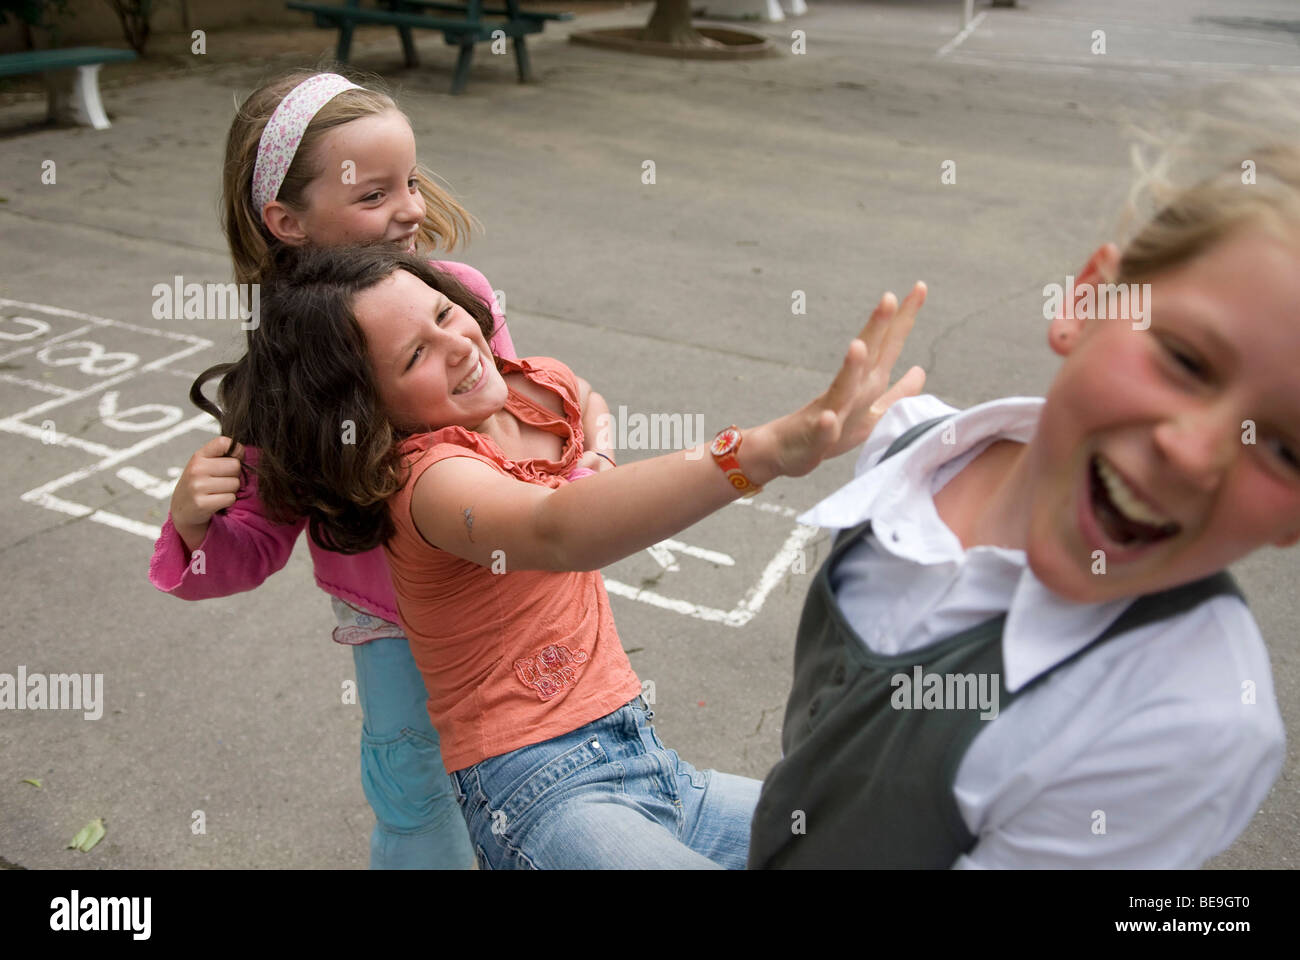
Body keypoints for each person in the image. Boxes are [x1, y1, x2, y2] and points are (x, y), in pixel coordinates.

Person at [204, 240, 929, 868]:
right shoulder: (427, 480)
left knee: (883, 843)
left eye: (443, 314)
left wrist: (599, 459)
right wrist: (763, 453)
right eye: (416, 355)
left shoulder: (529, 388)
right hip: (541, 796)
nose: (456, 344)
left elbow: (584, 400)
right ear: (368, 409)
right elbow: (556, 528)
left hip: (652, 768)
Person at [748, 102, 1299, 868]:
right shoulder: (912, 450)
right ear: (1086, 300)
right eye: (1187, 361)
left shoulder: (1184, 722)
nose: (1194, 453)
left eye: (1286, 449)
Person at [146, 70, 578, 869]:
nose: (412, 208)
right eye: (375, 195)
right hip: (395, 634)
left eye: (409, 181)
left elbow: (530, 433)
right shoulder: (288, 371)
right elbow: (252, 546)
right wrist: (191, 521)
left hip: (499, 600)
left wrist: (579, 462)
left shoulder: (462, 297)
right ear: (288, 221)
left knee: (543, 784)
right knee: (418, 806)